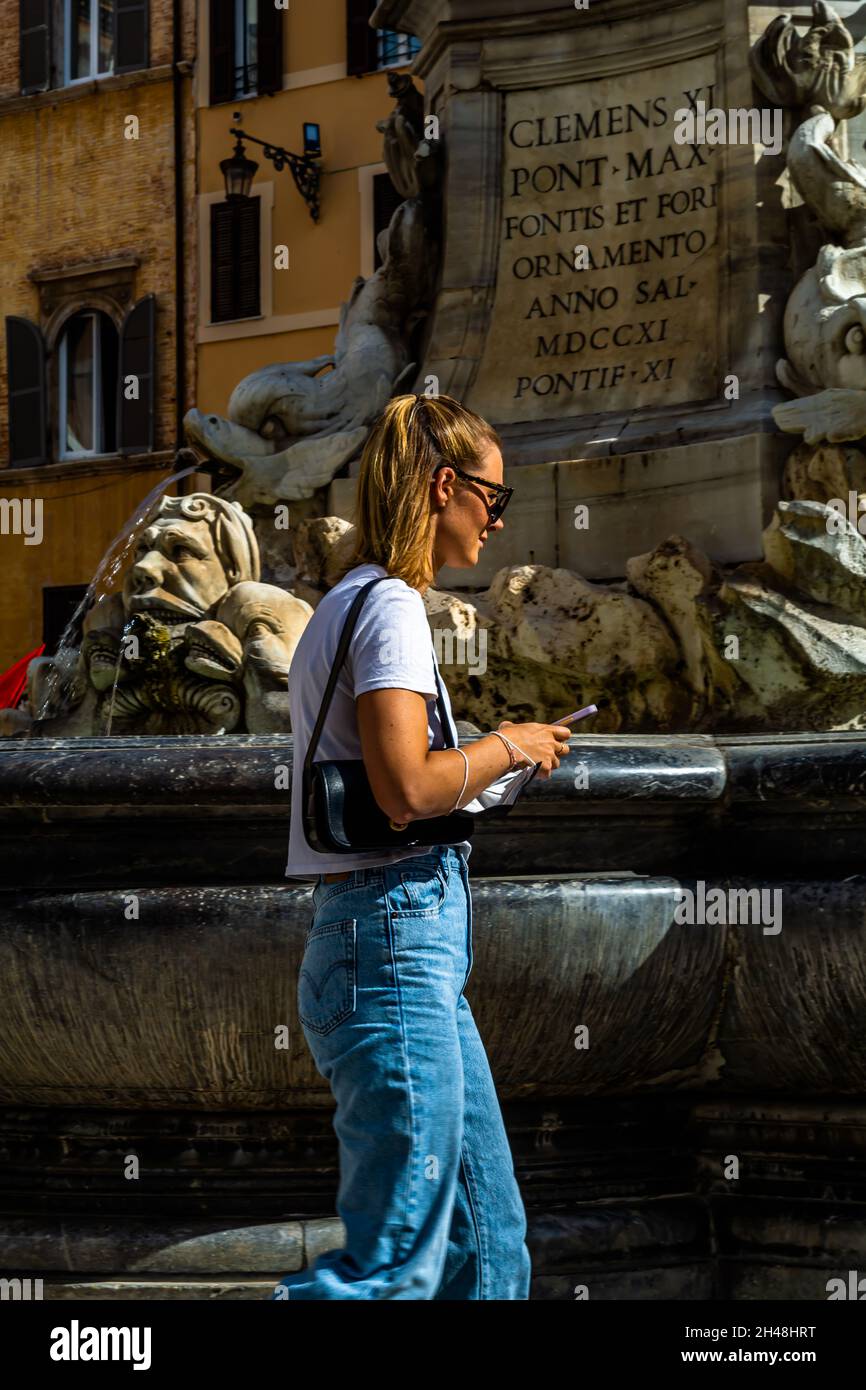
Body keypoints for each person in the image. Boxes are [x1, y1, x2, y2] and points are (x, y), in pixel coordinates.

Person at [276, 393, 573, 1300]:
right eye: (493, 496)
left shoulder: (348, 603)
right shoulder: (393, 606)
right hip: (392, 937)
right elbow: (405, 788)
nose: (497, 517)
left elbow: (399, 779)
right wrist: (507, 745)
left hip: (392, 941)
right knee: (393, 1267)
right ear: (445, 486)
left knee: (488, 1248)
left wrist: (485, 767)